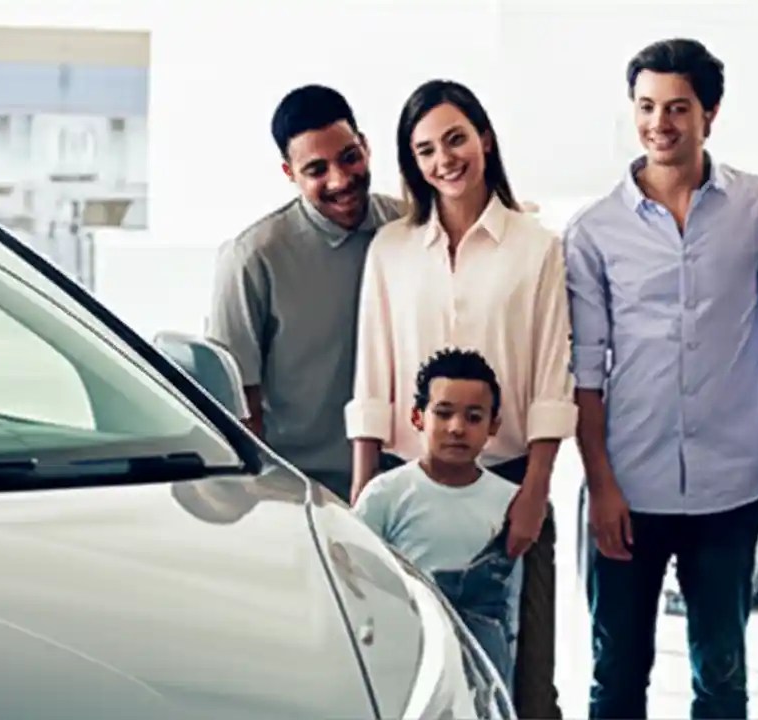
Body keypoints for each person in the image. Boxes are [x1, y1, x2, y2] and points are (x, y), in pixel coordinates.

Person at [344, 79, 577, 718]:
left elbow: (554, 380)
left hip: (507, 489)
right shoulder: (391, 249)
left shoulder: (537, 247)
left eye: (455, 139)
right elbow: (372, 375)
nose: (444, 159)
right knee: (412, 676)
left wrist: (534, 493)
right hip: (406, 489)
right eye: (425, 150)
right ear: (412, 164)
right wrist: (365, 496)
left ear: (485, 139)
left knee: (525, 683)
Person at [564, 38, 758, 719]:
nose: (660, 123)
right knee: (617, 673)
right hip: (629, 482)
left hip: (731, 486)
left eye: (678, 108)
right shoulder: (594, 231)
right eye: (647, 106)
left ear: (710, 114)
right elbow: (586, 372)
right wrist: (600, 486)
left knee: (722, 677)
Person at [208, 84, 404, 502]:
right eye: (317, 169)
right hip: (305, 495)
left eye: (349, 157)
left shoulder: (410, 228)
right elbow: (240, 404)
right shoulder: (252, 259)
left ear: (366, 147)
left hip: (407, 485)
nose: (340, 179)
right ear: (289, 174)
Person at [352, 347, 522, 691]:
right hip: (404, 661)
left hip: (486, 669)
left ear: (494, 425)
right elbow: (357, 585)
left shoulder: (513, 503)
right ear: (418, 418)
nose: (457, 428)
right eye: (443, 414)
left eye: (473, 417)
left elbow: (517, 606)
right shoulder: (384, 494)